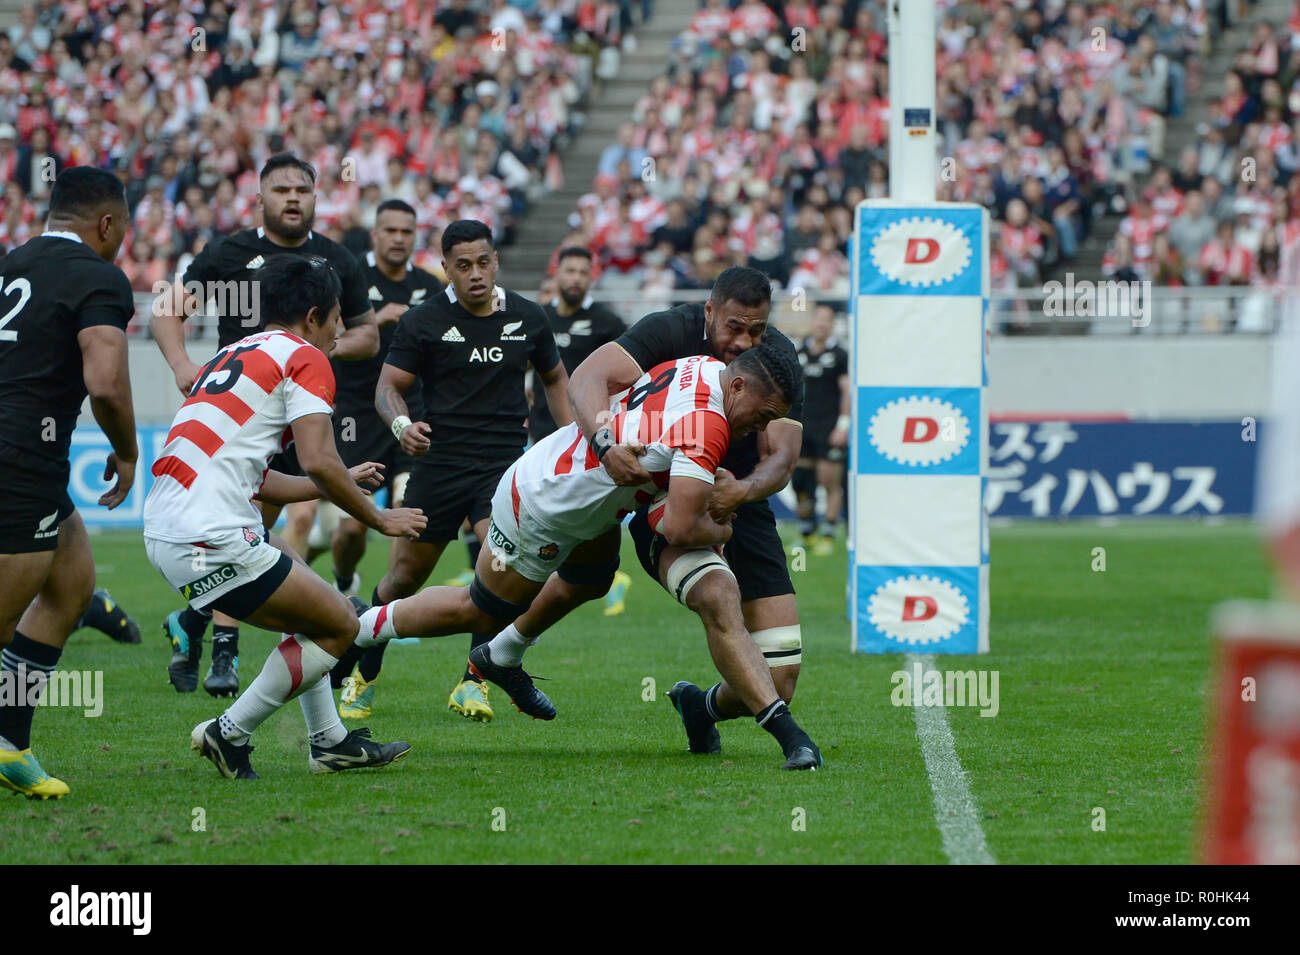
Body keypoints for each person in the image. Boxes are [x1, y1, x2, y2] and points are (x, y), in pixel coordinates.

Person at [353, 344, 822, 769]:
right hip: (544, 505)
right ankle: (363, 625)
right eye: (762, 416)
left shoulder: (701, 367)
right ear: (738, 386)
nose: (757, 429)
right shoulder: (710, 424)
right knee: (477, 607)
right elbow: (680, 525)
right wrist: (722, 520)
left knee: (594, 578)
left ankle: (502, 654)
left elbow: (631, 397)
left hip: (579, 490)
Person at [474, 267, 809, 754]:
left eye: (756, 329)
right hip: (662, 497)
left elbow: (782, 454)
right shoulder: (669, 329)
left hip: (739, 503)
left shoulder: (774, 360)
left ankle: (702, 706)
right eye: (735, 327)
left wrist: (741, 494)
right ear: (709, 311)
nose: (744, 341)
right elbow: (588, 377)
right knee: (694, 590)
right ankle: (407, 633)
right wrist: (601, 442)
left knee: (782, 677)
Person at [143, 254, 425, 780]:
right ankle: (228, 733)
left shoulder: (236, 352)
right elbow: (319, 457)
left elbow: (267, 476)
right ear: (314, 315)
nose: (341, 331)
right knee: (340, 624)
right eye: (339, 318)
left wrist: (336, 478)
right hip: (212, 534)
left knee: (316, 610)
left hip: (173, 526)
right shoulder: (306, 357)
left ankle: (331, 741)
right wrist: (379, 517)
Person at [150, 153, 378, 698]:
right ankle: (228, 656)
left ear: (317, 197)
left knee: (264, 544)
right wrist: (183, 365)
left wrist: (315, 348)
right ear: (260, 199)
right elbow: (166, 309)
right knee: (255, 533)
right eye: (281, 190)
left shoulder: (335, 260)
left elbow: (367, 336)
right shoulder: (230, 253)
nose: (293, 198)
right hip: (246, 419)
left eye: (303, 189)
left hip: (302, 403)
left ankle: (198, 624)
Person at [360, 219, 572, 722]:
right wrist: (401, 425)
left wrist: (570, 443)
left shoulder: (528, 317)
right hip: (437, 466)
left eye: (483, 262)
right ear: (446, 269)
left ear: (495, 261)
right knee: (402, 578)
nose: (475, 273)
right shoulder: (424, 320)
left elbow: (556, 379)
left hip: (503, 472)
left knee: (502, 575)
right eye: (462, 266)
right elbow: (388, 387)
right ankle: (363, 674)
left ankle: (473, 683)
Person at [0, 167, 138, 798]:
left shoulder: (13, 261)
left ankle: (8, 742)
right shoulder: (98, 277)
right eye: (123, 232)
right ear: (106, 224)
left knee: (73, 582)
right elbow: (106, 381)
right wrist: (128, 450)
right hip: (20, 455)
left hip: (33, 457)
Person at [328, 199, 443, 719]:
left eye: (406, 230)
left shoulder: (431, 286)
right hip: (355, 418)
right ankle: (347, 586)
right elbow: (326, 337)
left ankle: (380, 621)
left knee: (408, 524)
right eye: (389, 230)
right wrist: (379, 319)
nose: (398, 238)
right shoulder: (350, 283)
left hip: (413, 422)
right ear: (373, 235)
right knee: (352, 531)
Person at [532, 246, 632, 615]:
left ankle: (607, 574)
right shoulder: (540, 319)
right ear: (557, 273)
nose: (575, 278)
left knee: (589, 511)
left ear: (591, 277)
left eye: (582, 272)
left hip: (588, 435)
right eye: (569, 270)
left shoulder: (607, 323)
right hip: (542, 431)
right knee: (547, 511)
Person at [793, 304, 849, 555]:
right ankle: (807, 533)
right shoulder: (799, 353)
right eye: (819, 319)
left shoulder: (839, 355)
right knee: (801, 484)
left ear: (832, 325)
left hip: (829, 428)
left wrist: (843, 425)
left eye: (827, 320)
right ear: (812, 321)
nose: (822, 324)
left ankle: (828, 534)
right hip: (804, 428)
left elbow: (847, 391)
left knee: (829, 481)